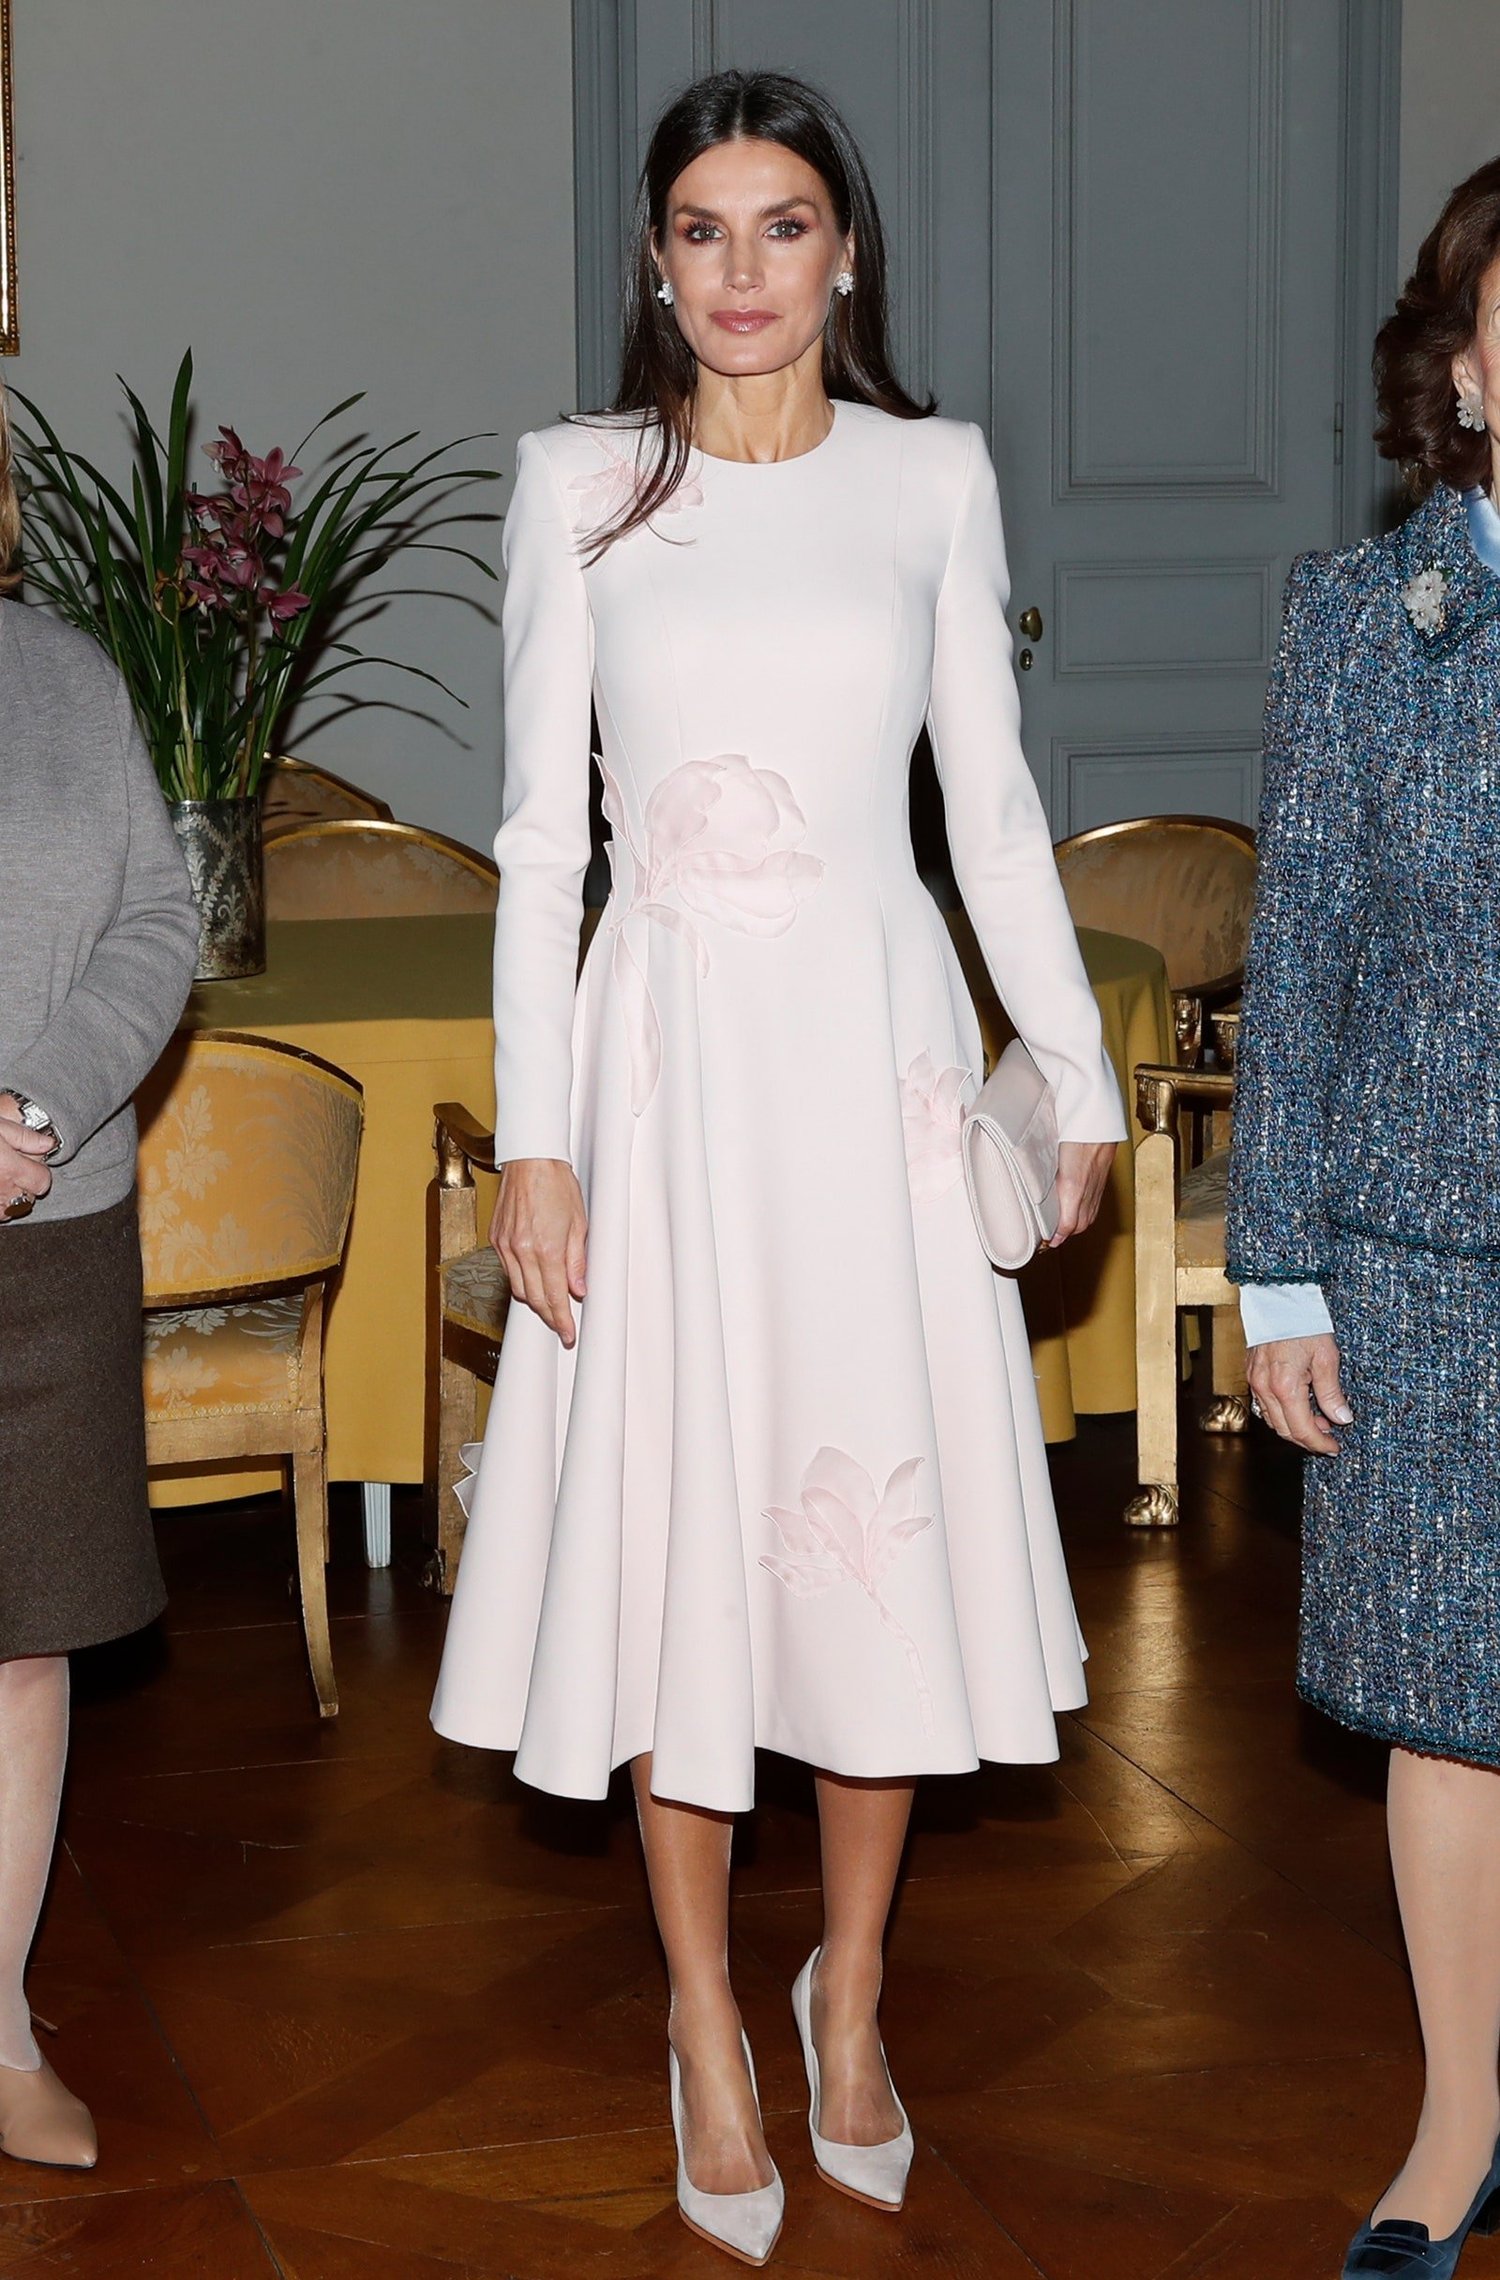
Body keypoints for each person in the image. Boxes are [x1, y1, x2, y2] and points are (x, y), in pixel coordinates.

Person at [431, 69, 1121, 2265]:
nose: (744, 271)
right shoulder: (576, 486)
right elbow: (538, 848)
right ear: (656, 261)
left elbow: (992, 817)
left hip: (876, 1063)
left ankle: (855, 1995)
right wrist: (539, 1141)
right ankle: (706, 2021)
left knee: (863, 1540)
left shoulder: (933, 476)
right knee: (683, 1544)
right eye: (703, 230)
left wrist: (1077, 1075)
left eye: (785, 225)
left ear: (846, 252)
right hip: (665, 1079)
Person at [1229, 157, 1500, 2280]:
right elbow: (1300, 959)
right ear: (1466, 372)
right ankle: (1463, 2121)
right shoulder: (1361, 620)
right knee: (1448, 1709)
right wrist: (1282, 1268)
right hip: (1425, 1254)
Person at [0, 380, 200, 2171]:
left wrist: (35, 1106)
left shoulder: (67, 676)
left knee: (22, 1647)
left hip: (46, 1232)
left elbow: (159, 918)